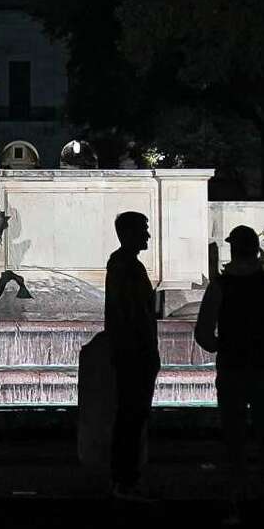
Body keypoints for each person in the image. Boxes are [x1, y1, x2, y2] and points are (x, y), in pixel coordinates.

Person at [194, 225, 264, 527]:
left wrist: (222, 346)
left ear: (232, 250)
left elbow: (203, 333)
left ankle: (236, 504)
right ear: (256, 250)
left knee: (234, 439)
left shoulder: (220, 285)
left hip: (232, 369)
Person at [104, 210, 160, 501]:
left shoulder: (124, 265)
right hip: (134, 352)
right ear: (129, 234)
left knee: (132, 415)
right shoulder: (125, 266)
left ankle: (125, 477)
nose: (148, 236)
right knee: (131, 415)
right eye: (143, 230)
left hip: (132, 351)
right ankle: (125, 479)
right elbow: (131, 313)